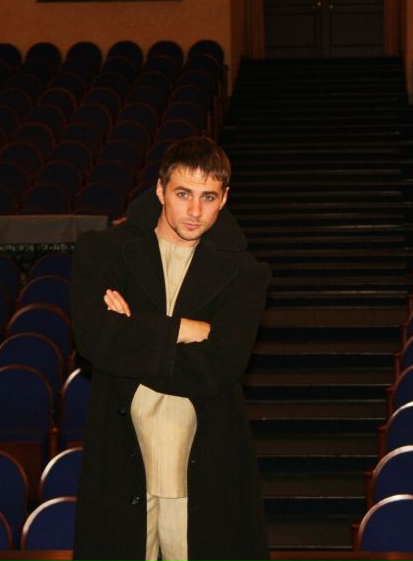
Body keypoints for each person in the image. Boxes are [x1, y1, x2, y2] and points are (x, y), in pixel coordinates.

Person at [70, 136, 271, 560]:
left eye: (208, 197)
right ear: (160, 190)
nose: (195, 210)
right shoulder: (102, 252)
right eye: (183, 194)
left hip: (204, 463)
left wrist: (130, 333)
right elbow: (93, 340)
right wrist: (183, 329)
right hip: (121, 457)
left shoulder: (246, 274)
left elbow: (219, 366)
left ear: (224, 199)